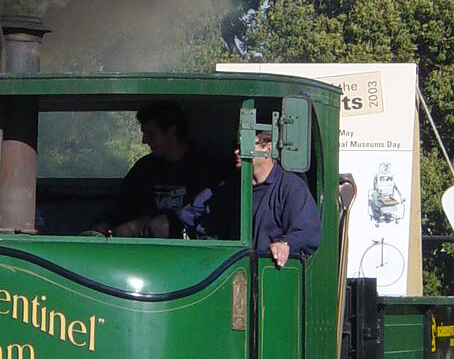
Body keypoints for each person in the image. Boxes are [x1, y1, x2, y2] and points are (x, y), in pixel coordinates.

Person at [175, 130, 321, 266]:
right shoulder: (227, 189)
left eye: (244, 145)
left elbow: (308, 233)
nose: (237, 151)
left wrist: (284, 245)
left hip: (270, 276)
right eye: (236, 145)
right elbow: (208, 229)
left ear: (268, 148)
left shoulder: (291, 187)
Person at [87, 102, 218, 237]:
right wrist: (106, 224)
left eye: (150, 134)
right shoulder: (144, 168)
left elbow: (203, 212)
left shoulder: (205, 169)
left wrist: (167, 221)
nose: (144, 140)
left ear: (171, 133)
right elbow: (123, 205)